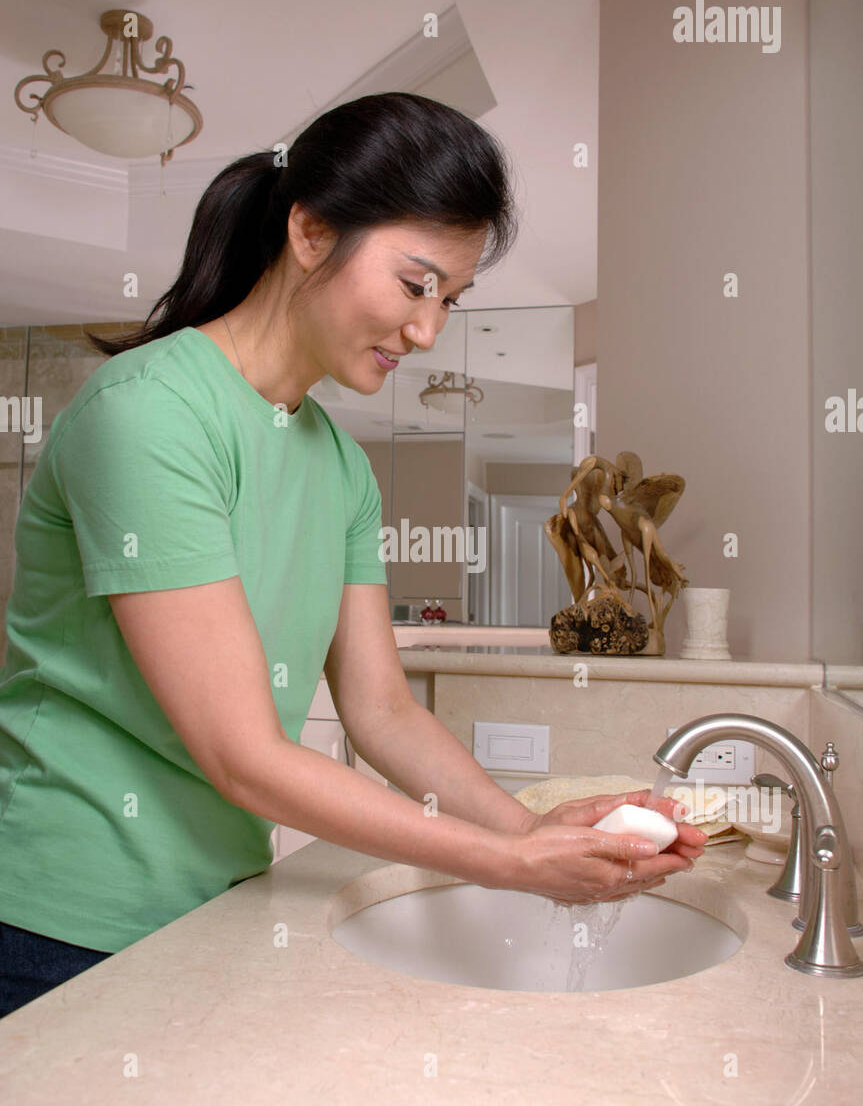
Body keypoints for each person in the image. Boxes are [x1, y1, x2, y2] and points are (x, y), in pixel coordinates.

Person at [0, 92, 705, 1019]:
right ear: (310, 232)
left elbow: (380, 713)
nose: (425, 332)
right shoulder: (149, 415)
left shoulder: (338, 462)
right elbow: (243, 754)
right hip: (62, 921)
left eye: (449, 300)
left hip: (217, 900)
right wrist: (510, 864)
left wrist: (527, 826)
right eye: (415, 285)